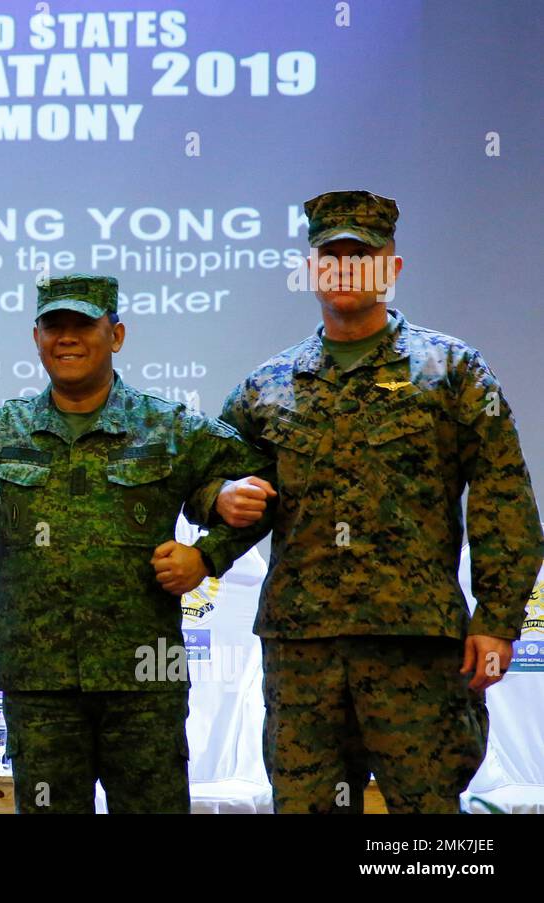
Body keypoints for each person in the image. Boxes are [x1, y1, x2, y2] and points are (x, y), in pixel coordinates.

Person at [211, 190, 544, 813]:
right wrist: (213, 517)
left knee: (426, 827)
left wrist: (499, 619)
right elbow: (222, 487)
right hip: (304, 649)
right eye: (329, 256)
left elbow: (504, 501)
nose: (343, 268)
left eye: (360, 256)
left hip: (415, 645)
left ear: (390, 267)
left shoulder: (452, 371)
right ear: (311, 271)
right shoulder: (267, 386)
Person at [0, 274, 273, 813]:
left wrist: (207, 555)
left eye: (83, 326)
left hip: (143, 680)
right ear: (36, 337)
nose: (67, 337)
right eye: (55, 326)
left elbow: (262, 486)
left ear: (115, 335)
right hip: (38, 684)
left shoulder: (167, 427)